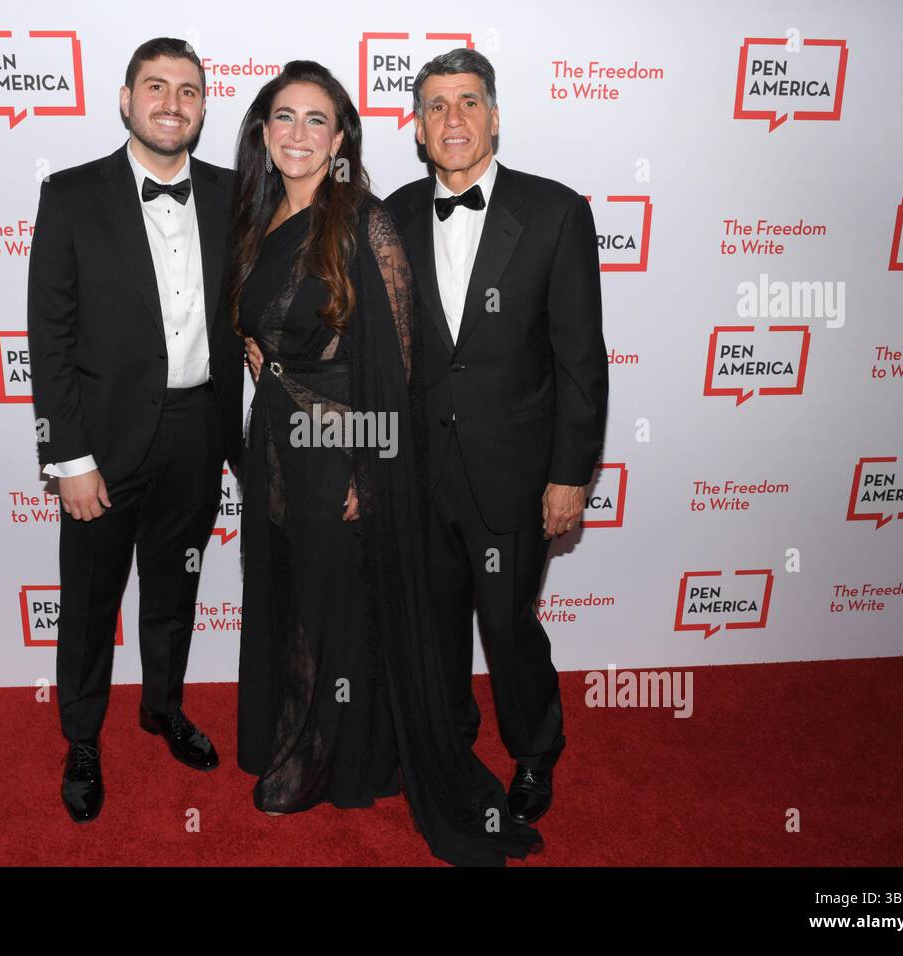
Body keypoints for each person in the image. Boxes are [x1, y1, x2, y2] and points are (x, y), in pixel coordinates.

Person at [233, 60, 542, 865]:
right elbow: (259, 323)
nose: (299, 134)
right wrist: (265, 362)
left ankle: (332, 759)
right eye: (285, 118)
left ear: (342, 140)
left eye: (317, 121)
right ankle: (292, 733)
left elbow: (398, 363)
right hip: (274, 444)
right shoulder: (257, 216)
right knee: (292, 591)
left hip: (340, 450)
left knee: (335, 609)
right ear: (263, 133)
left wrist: (365, 468)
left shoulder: (362, 221)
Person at [385, 48, 608, 825]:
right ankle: (447, 745)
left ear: (496, 116)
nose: (454, 119)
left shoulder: (553, 212)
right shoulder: (394, 215)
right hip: (417, 471)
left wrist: (570, 475)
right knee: (434, 626)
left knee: (508, 628)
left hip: (513, 472)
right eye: (437, 105)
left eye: (469, 102)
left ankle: (537, 748)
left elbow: (581, 360)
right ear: (417, 127)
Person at [27, 37, 244, 823]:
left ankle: (163, 706)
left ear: (202, 107)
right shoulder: (71, 194)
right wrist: (68, 457)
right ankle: (82, 737)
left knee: (175, 585)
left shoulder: (230, 192)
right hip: (102, 440)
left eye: (188, 90)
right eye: (156, 87)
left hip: (198, 429)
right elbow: (47, 338)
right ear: (126, 100)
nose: (172, 103)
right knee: (88, 601)